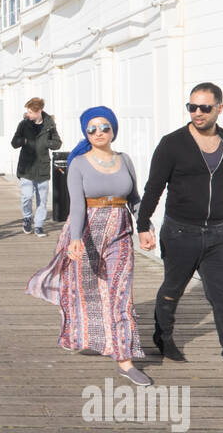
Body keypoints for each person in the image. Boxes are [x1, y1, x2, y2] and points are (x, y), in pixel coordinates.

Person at [136, 83, 223, 392]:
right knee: (172, 290)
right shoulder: (172, 144)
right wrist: (143, 224)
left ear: (219, 107)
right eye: (192, 107)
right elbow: (154, 186)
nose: (197, 113)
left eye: (204, 107)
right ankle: (163, 336)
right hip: (180, 232)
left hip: (220, 233)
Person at [25, 106, 150, 384]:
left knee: (121, 292)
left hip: (120, 230)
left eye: (104, 127)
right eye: (91, 128)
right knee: (87, 291)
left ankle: (124, 358)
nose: (98, 133)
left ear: (113, 129)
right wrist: (76, 238)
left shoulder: (125, 159)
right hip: (88, 231)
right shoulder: (79, 163)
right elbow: (77, 205)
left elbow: (135, 199)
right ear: (85, 132)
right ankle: (84, 336)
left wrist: (145, 227)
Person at [11, 98, 61, 238]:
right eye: (27, 111)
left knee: (42, 199)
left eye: (31, 112)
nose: (28, 114)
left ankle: (39, 226)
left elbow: (58, 143)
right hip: (26, 167)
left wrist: (47, 143)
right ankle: (27, 218)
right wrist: (24, 140)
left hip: (42, 167)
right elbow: (14, 142)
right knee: (27, 196)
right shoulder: (23, 124)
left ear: (39, 111)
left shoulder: (50, 125)